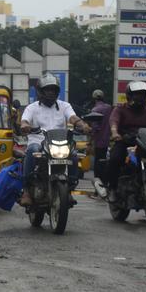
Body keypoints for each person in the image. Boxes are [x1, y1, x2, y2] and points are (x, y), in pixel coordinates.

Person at [17, 74, 91, 206]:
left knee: (73, 156)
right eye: (47, 89)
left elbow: (73, 118)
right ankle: (27, 190)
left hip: (59, 142)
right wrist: (25, 126)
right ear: (40, 91)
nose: (51, 93)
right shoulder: (32, 108)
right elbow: (25, 120)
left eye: (53, 90)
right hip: (38, 141)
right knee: (31, 151)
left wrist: (82, 125)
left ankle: (68, 189)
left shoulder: (64, 106)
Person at [88, 89, 114, 162]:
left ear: (94, 98)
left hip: (98, 141)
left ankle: (98, 173)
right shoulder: (109, 108)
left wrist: (90, 141)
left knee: (98, 161)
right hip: (107, 140)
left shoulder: (95, 110)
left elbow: (95, 128)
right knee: (104, 159)